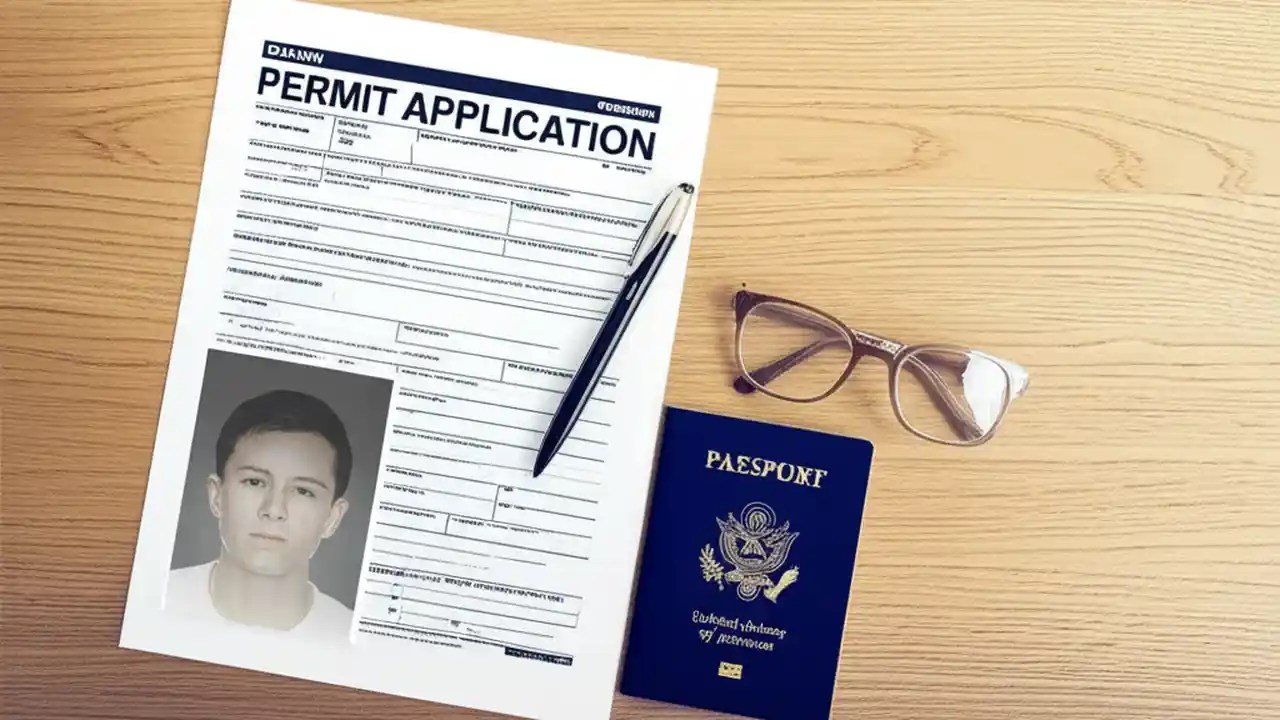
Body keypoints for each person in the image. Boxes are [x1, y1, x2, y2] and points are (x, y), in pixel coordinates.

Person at [167, 389, 354, 639]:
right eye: (254, 482)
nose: (274, 510)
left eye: (303, 491)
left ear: (333, 518)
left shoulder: (351, 639)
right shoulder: (157, 600)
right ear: (217, 496)